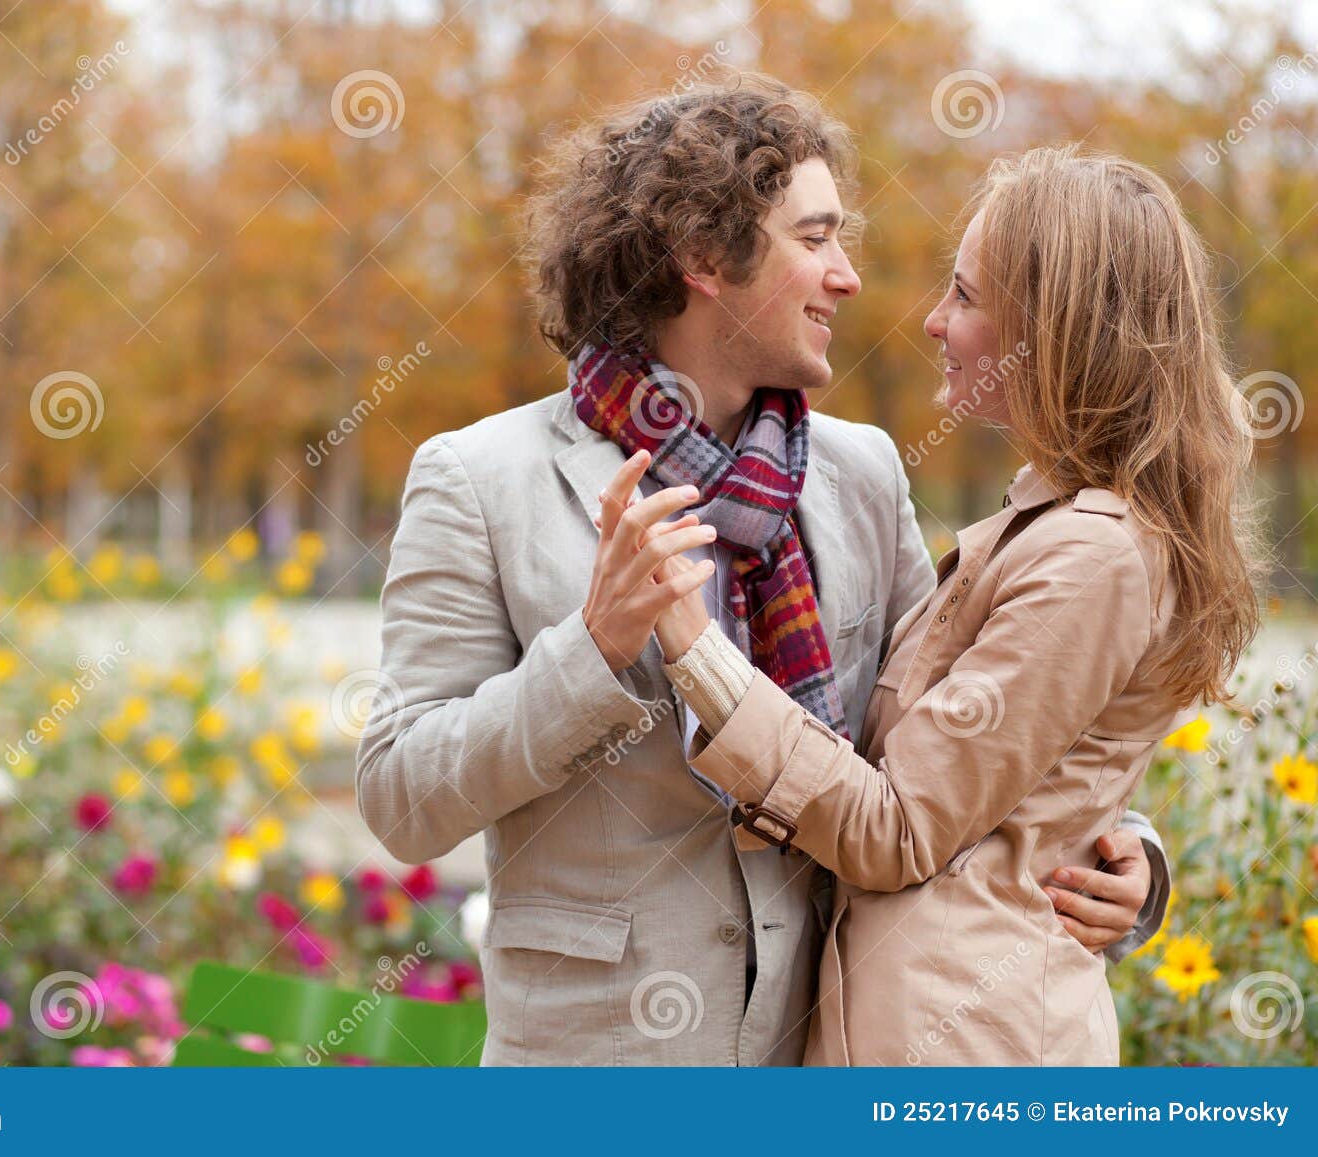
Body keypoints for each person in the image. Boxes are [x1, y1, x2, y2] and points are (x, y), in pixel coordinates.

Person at [356, 75, 1169, 1066]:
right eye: (814, 238)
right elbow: (401, 798)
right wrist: (593, 651)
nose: (848, 277)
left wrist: (1124, 851)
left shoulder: (862, 472)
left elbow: (946, 735)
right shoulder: (482, 479)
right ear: (705, 255)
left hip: (820, 1050)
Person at [645, 144, 1259, 1065]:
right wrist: (1117, 835)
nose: (934, 321)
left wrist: (692, 644)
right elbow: (1021, 769)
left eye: (967, 297)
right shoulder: (1046, 521)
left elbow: (899, 824)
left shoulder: (1092, 554)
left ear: (1055, 331)